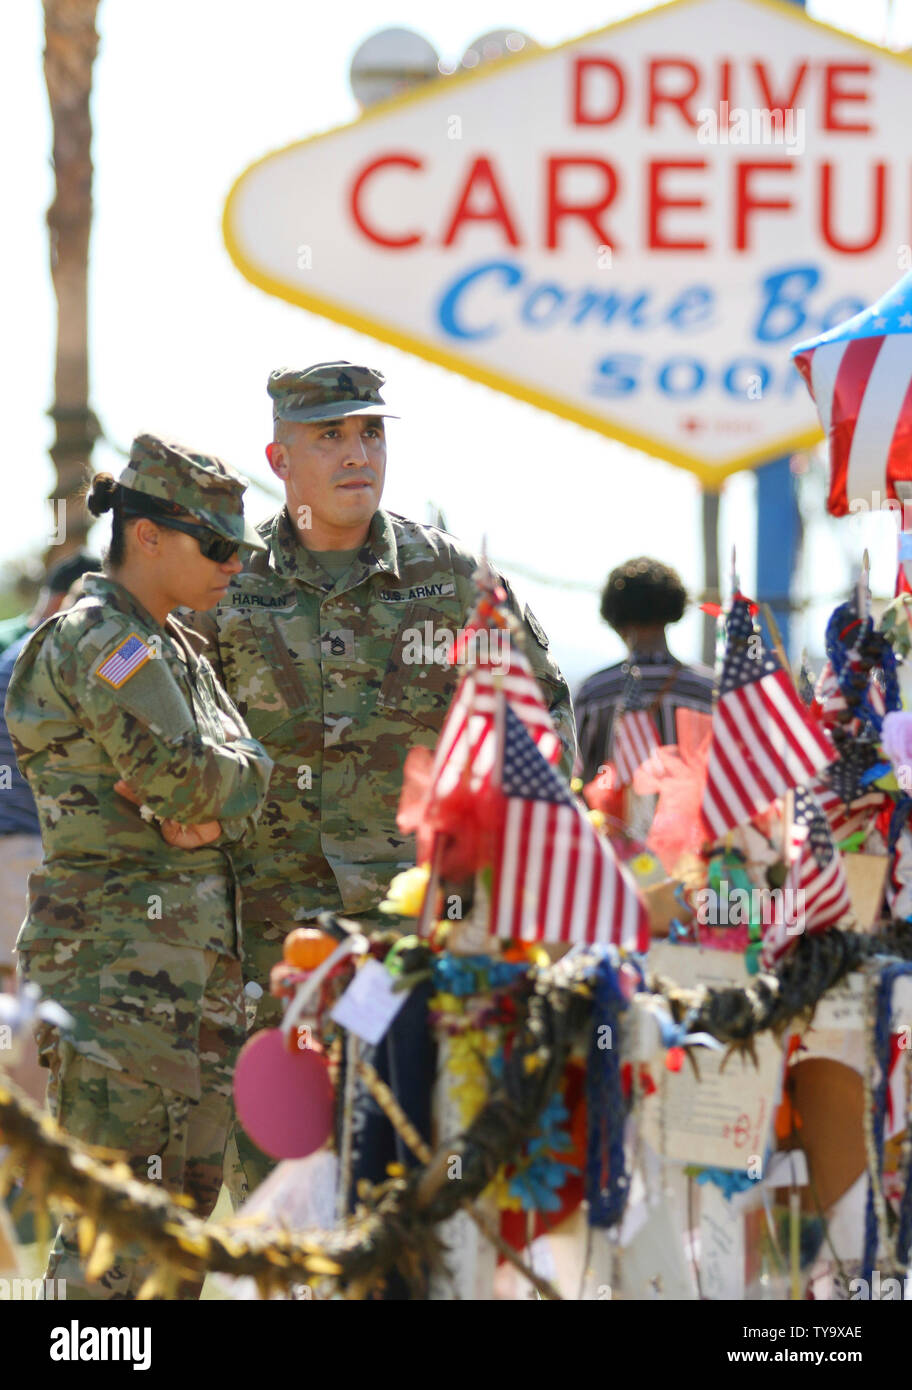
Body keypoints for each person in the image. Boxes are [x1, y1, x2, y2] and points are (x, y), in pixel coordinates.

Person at [189, 361, 577, 1203]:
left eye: (370, 431)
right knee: (285, 1195)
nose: (357, 452)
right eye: (329, 436)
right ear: (280, 457)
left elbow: (539, 727)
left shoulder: (450, 584)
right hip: (270, 946)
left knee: (422, 1179)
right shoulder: (224, 585)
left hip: (422, 942)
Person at [6, 434, 274, 1300]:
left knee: (180, 1237)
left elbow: (245, 775)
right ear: (149, 535)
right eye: (220, 545)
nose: (235, 565)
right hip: (117, 984)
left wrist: (224, 791)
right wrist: (219, 787)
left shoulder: (175, 649)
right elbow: (193, 777)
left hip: (187, 984)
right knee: (108, 1247)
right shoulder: (97, 640)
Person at [0, 553, 99, 1109]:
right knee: (24, 999)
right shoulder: (36, 661)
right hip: (24, 851)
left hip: (20, 853)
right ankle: (23, 1144)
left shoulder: (15, 654)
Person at [575, 556, 714, 786]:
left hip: (609, 821)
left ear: (615, 620)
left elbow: (574, 773)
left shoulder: (593, 692)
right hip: (697, 821)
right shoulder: (708, 689)